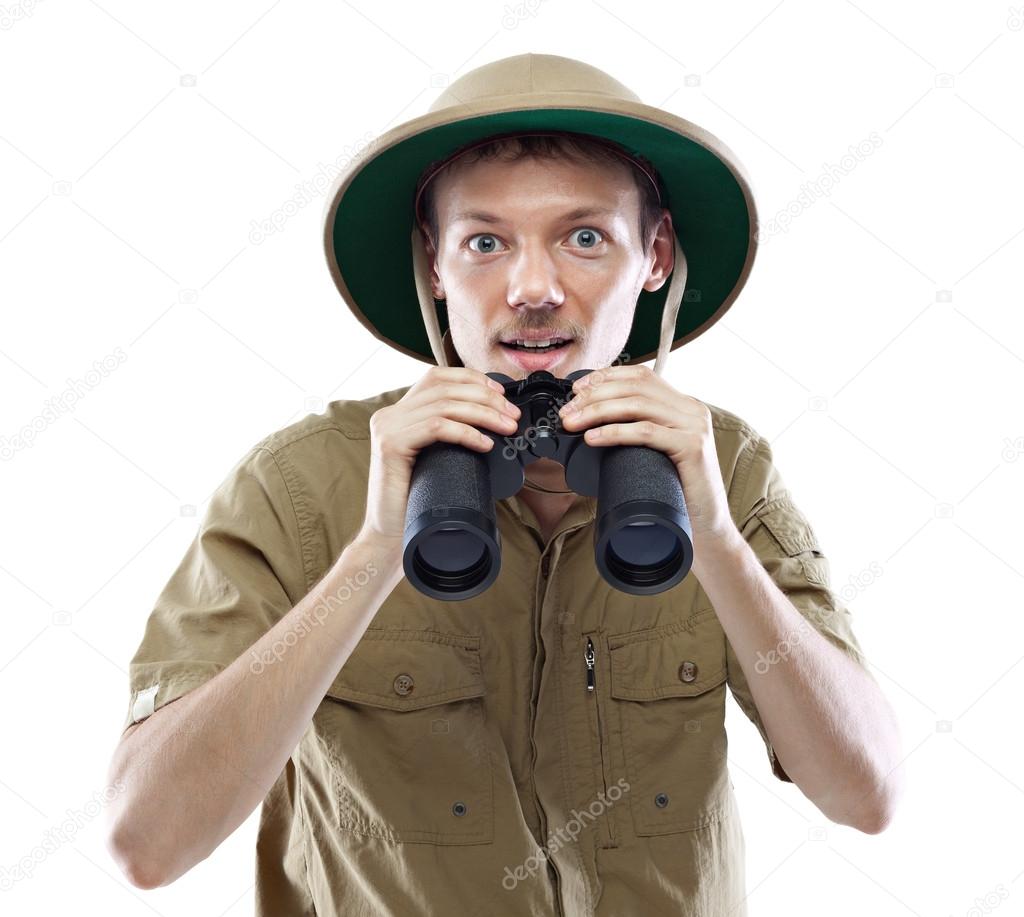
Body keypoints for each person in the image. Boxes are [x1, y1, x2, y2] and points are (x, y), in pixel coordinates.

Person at [103, 53, 903, 916]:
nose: (532, 289)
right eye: (485, 243)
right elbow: (146, 843)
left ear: (657, 255)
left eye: (585, 237)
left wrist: (713, 536)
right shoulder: (299, 483)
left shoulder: (723, 465)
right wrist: (376, 548)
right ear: (435, 264)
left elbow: (866, 796)